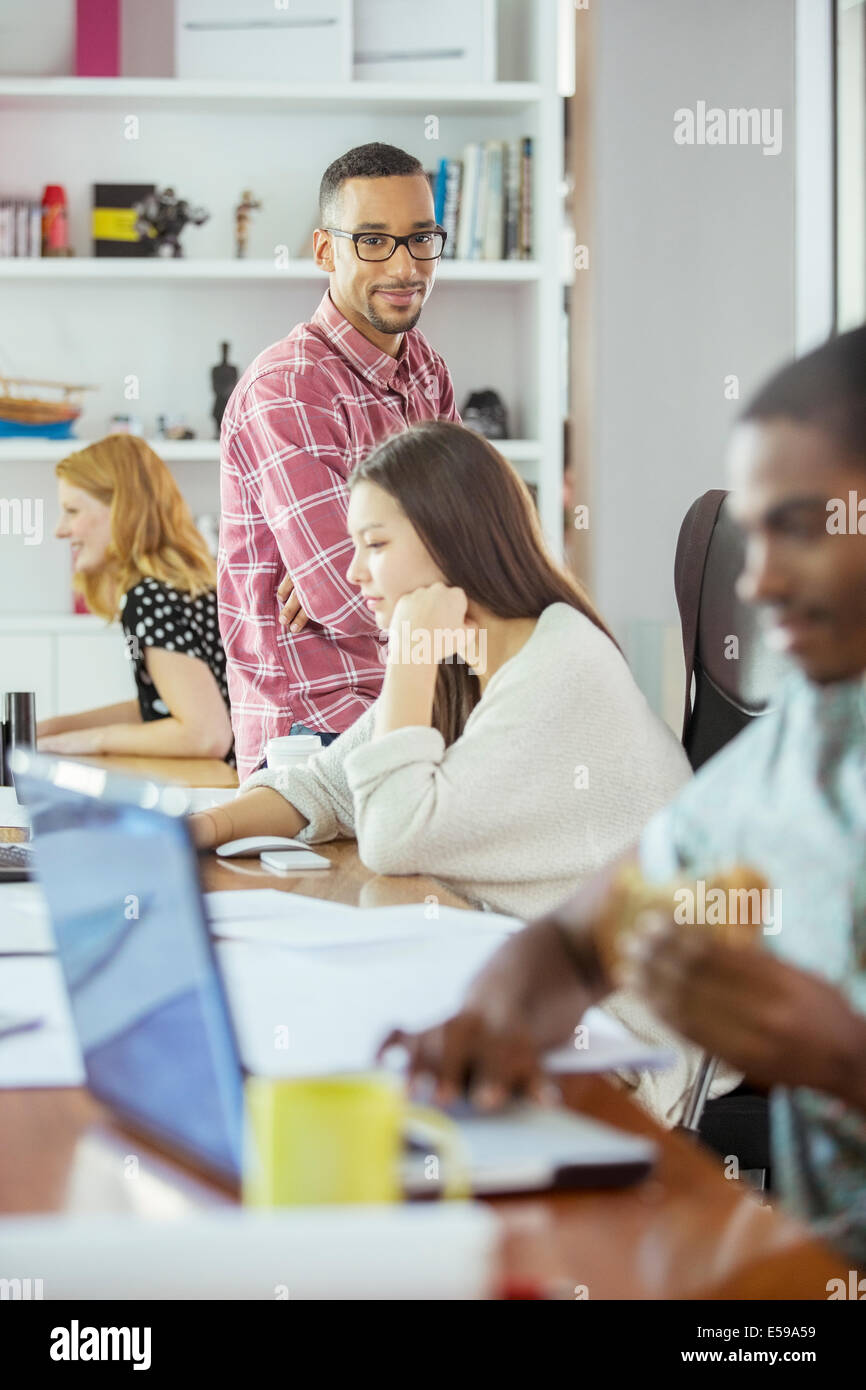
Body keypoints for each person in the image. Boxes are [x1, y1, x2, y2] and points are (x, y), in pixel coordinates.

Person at [382, 327, 866, 1267]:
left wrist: (835, 1054)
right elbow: (577, 939)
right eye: (755, 533)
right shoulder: (817, 727)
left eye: (802, 528)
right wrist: (495, 1014)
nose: (759, 582)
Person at [194, 420, 717, 1124]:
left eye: (376, 545)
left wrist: (409, 655)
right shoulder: (466, 656)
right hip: (528, 984)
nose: (354, 574)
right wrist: (201, 827)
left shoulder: (560, 666)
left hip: (622, 1034)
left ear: (449, 539)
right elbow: (325, 783)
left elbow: (395, 834)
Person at [219, 142, 460, 780]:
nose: (405, 266)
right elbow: (344, 594)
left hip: (423, 709)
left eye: (421, 238)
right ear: (326, 250)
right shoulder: (290, 386)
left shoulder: (426, 370)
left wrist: (386, 563)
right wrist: (416, 562)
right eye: (374, 241)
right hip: (315, 735)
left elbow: (486, 540)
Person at [38, 435, 234, 763]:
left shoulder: (149, 598)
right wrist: (53, 730)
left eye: (72, 511)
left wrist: (85, 741)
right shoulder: (175, 588)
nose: (60, 530)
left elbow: (206, 734)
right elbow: (157, 708)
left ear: (121, 511)